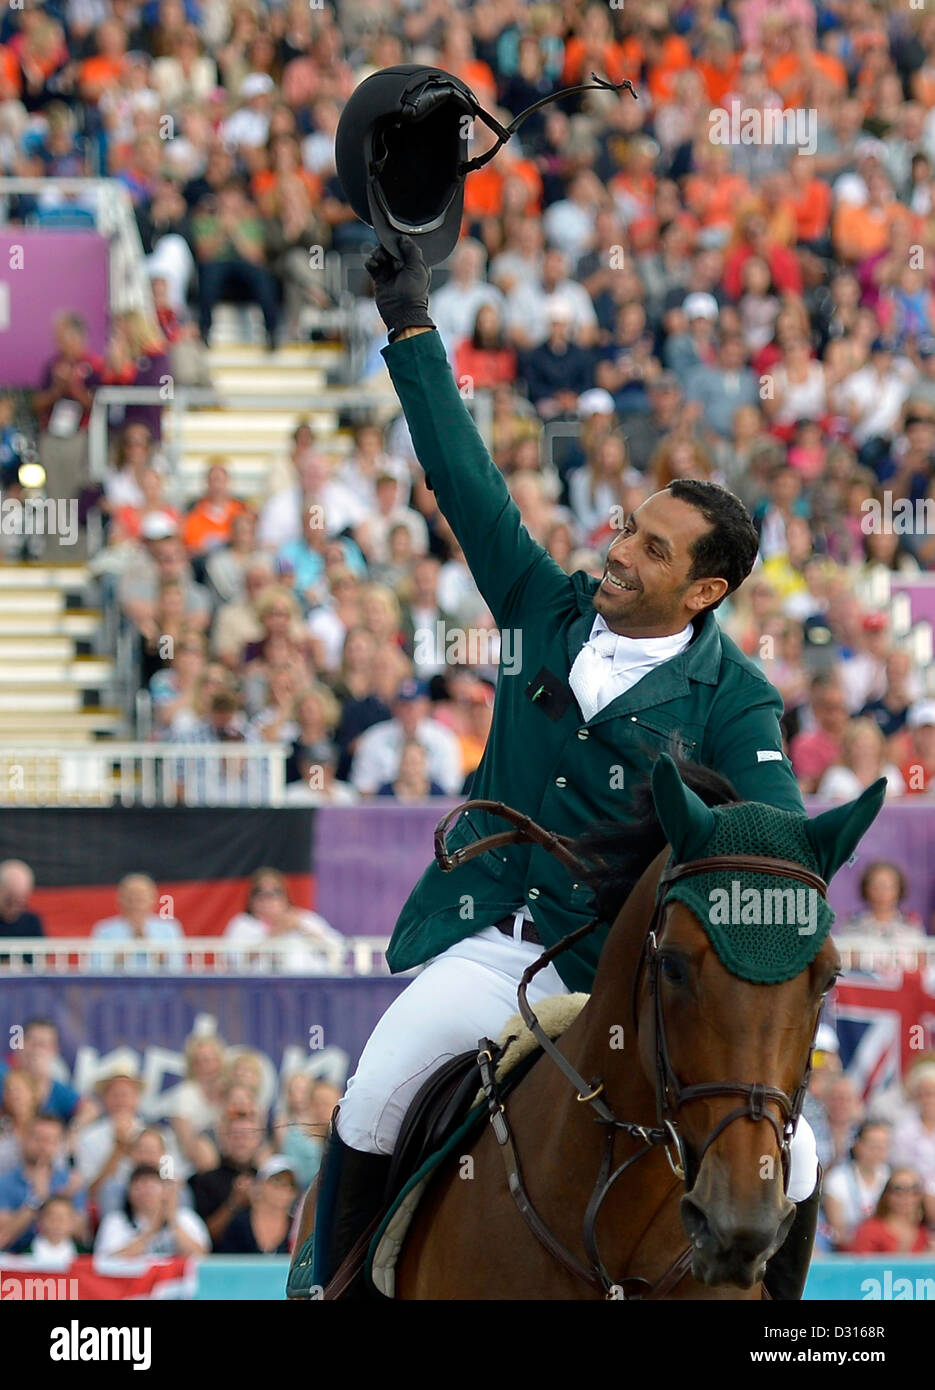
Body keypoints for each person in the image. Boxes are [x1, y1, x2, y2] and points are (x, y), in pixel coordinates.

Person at [291, 237, 825, 1302]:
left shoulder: (735, 702)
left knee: (797, 1161)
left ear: (705, 592)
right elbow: (459, 470)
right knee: (372, 1096)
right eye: (629, 526)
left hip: (632, 975)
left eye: (654, 549)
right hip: (499, 949)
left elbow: (771, 848)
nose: (619, 548)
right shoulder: (543, 604)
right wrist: (407, 317)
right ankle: (322, 1291)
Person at [222, 868, 343, 973]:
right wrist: (275, 933)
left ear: (285, 895)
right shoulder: (242, 924)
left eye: (275, 892)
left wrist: (300, 927)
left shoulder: (305, 918)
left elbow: (337, 950)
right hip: (261, 991)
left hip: (309, 989)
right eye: (259, 892)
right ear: (251, 898)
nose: (267, 898)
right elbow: (237, 961)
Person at [0, 1115, 87, 1253]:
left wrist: (62, 1200)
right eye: (38, 1138)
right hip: (16, 1263)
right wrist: (36, 1200)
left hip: (60, 1262)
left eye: (51, 1140)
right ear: (24, 1138)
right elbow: (3, 1237)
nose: (43, 1145)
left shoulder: (70, 1181)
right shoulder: (5, 1183)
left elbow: (82, 1235)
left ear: (59, 1145)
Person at [188, 1111, 268, 1250]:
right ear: (223, 1141)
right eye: (235, 1135)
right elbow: (204, 1238)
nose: (241, 1141)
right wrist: (234, 1203)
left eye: (248, 1135)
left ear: (258, 1141)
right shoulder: (204, 1181)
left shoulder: (266, 1179)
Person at [94, 1164, 209, 1259]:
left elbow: (201, 1256)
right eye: (138, 1187)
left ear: (165, 1191)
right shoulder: (115, 1221)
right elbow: (107, 1261)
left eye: (151, 1187)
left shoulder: (185, 1217)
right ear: (129, 1194)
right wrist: (152, 1231)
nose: (145, 1192)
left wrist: (172, 1221)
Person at [822, 1121, 892, 1251]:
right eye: (872, 1145)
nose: (877, 1151)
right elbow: (838, 1230)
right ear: (857, 1146)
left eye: (883, 1146)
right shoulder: (837, 1179)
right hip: (850, 1247)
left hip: (884, 1246)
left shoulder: (890, 1177)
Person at [214, 1156, 298, 1254]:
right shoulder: (239, 1223)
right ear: (261, 1185)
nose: (283, 1189)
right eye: (277, 1181)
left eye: (290, 1184)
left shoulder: (297, 1226)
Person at [848, 1169, 935, 1254]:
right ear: (886, 1194)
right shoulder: (869, 1230)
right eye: (898, 1189)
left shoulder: (925, 1232)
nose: (906, 1196)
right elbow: (861, 1266)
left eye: (914, 1189)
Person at [0, 860, 44, 939]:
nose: (14, 908)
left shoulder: (31, 922)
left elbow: (41, 949)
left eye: (20, 902)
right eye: (9, 901)